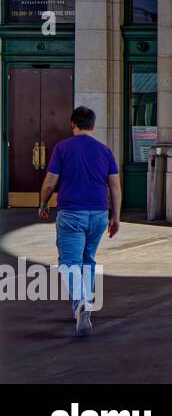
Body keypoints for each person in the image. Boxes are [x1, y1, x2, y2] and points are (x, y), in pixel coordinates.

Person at [37, 106, 120, 336]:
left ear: (73, 124)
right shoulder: (105, 151)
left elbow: (50, 182)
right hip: (99, 214)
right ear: (92, 126)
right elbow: (114, 185)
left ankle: (81, 302)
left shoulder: (63, 148)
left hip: (72, 213)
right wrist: (116, 217)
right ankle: (86, 301)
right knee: (87, 258)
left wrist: (43, 203)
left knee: (70, 262)